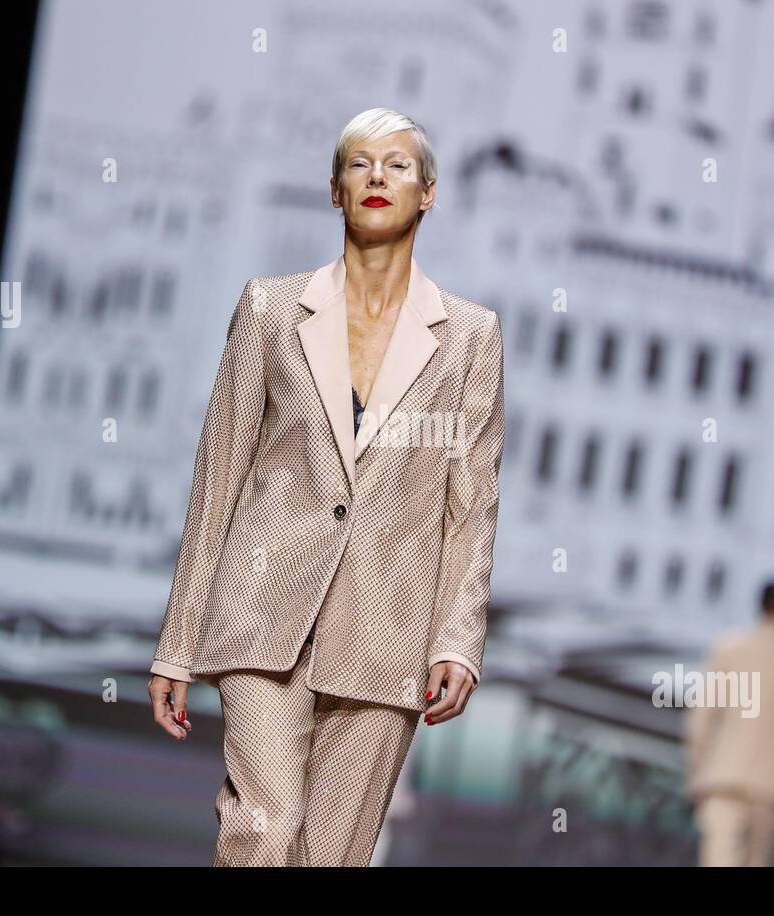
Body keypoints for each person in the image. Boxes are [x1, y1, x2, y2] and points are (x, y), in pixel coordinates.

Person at [146, 107, 505, 866]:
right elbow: (219, 481)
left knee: (331, 856)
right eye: (359, 164)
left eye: (398, 165)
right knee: (265, 828)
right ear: (334, 191)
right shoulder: (270, 309)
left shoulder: (472, 336)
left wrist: (459, 641)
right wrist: (178, 646)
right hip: (263, 615)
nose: (378, 177)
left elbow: (471, 504)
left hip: (387, 632)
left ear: (429, 193)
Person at [684, 580, 774, 866]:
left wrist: (698, 776)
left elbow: (700, 721)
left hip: (724, 779)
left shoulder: (730, 648)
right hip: (772, 788)